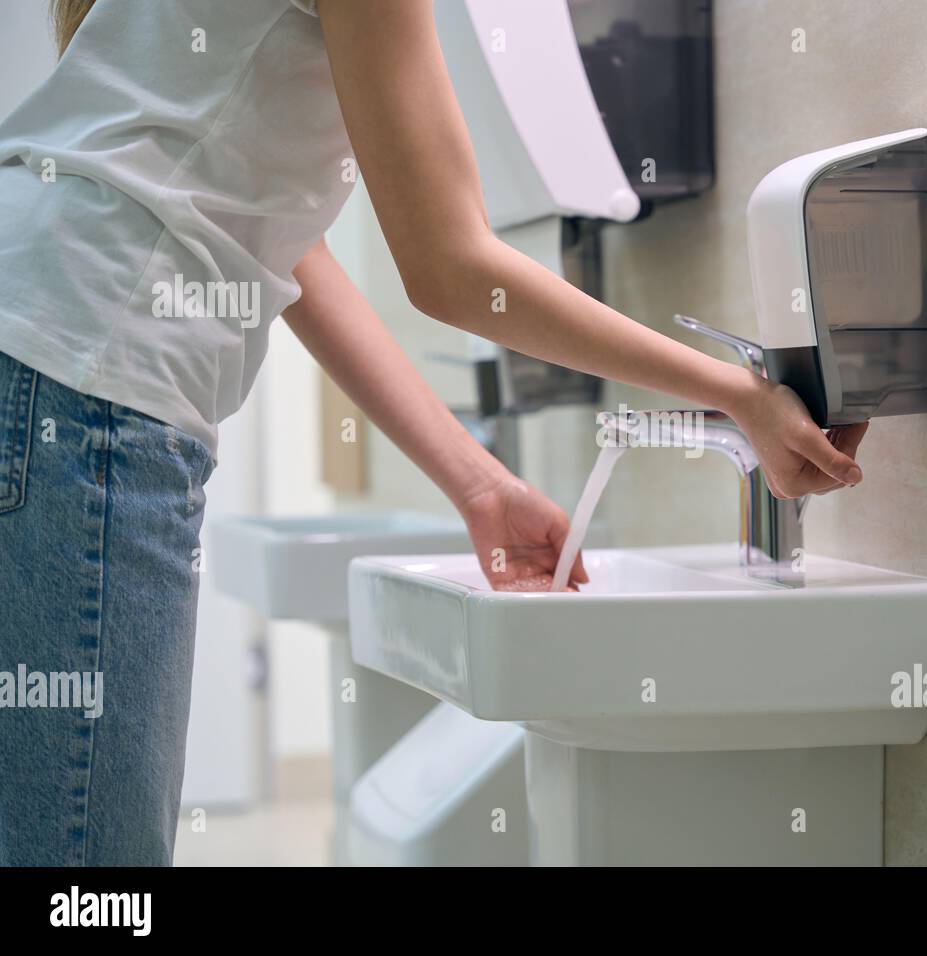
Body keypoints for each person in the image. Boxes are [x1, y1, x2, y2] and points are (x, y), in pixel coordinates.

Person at [0, 0, 869, 866]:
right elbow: (452, 267)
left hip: (39, 354)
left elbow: (291, 253)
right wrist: (735, 393)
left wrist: (480, 484)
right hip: (82, 375)